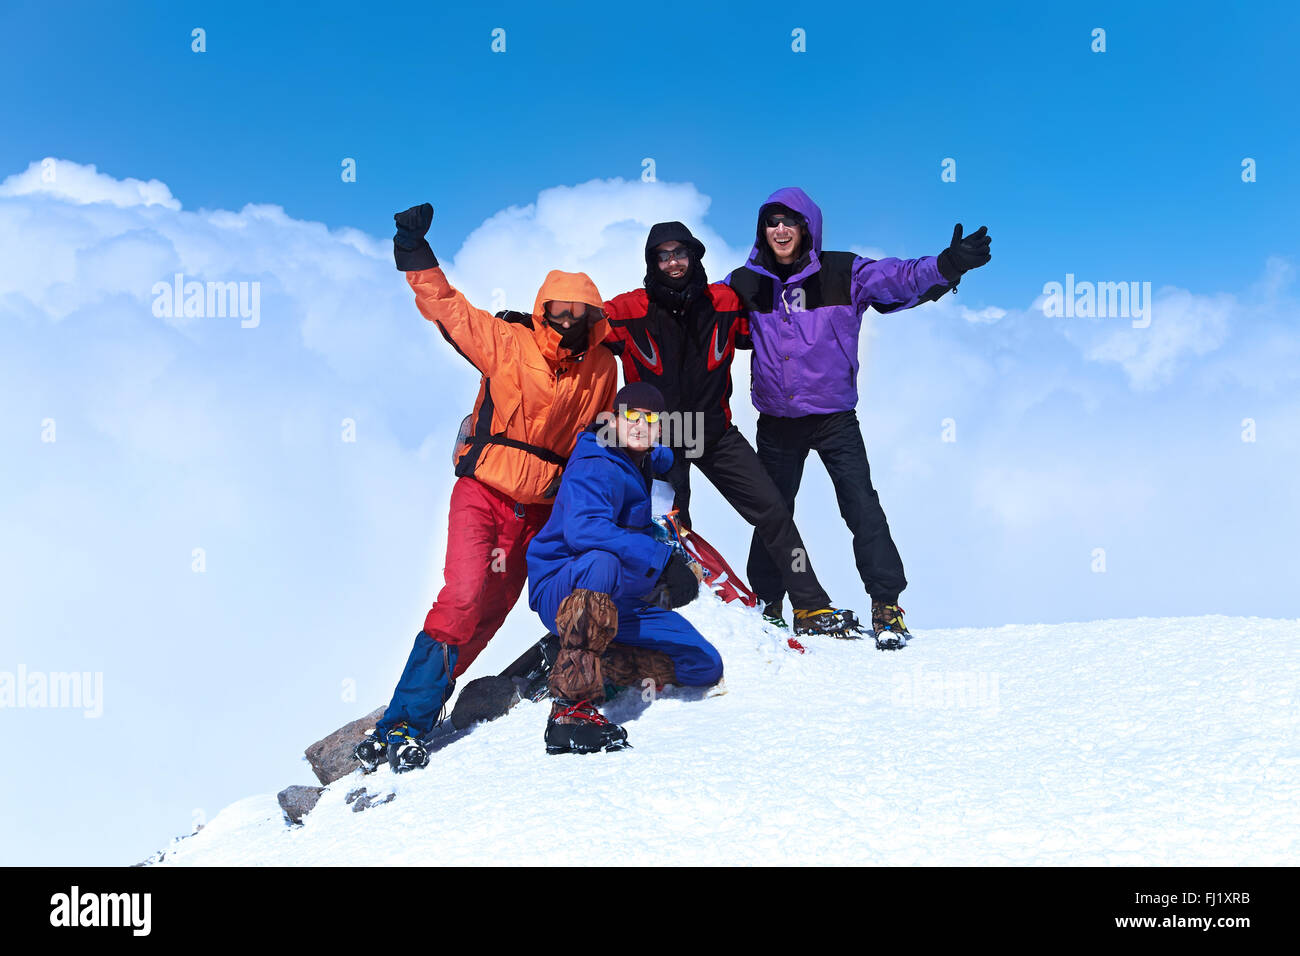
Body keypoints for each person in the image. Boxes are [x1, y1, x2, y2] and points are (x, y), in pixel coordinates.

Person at [356, 202, 618, 772]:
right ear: (544, 306)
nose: (570, 318)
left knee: (491, 613)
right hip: (483, 494)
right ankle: (401, 723)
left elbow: (601, 434)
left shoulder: (602, 367)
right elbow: (447, 309)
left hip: (539, 512)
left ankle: (424, 707)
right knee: (462, 597)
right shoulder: (507, 341)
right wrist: (413, 250)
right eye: (561, 308)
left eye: (583, 310)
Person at [725, 187, 992, 649]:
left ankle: (886, 603)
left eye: (791, 221)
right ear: (762, 230)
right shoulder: (745, 284)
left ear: (807, 227)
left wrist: (949, 266)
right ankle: (768, 602)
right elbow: (705, 319)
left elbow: (899, 277)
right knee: (773, 513)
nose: (781, 230)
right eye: (772, 222)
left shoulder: (843, 271)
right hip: (777, 420)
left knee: (861, 507)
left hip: (834, 418)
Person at [603, 222, 864, 638]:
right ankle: (685, 614)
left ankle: (810, 606)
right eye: (663, 255)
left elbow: (770, 326)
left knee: (773, 510)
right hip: (658, 440)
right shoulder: (629, 308)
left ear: (695, 256)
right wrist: (526, 324)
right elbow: (578, 324)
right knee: (671, 528)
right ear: (652, 262)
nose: (673, 262)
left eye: (681, 253)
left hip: (715, 432)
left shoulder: (724, 301)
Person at [526, 382, 724, 754]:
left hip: (615, 595)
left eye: (649, 420)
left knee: (703, 664)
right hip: (566, 586)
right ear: (613, 420)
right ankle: (570, 710)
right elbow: (586, 529)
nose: (639, 425)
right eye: (631, 416)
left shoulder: (640, 456)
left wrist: (668, 458)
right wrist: (661, 559)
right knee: (603, 558)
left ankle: (587, 660)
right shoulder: (595, 463)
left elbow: (658, 456)